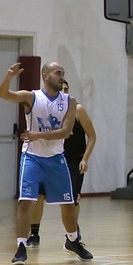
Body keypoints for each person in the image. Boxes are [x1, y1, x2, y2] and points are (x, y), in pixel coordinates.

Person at [0, 62, 93, 265]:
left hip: (57, 159)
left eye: (63, 73)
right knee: (25, 202)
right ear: (45, 75)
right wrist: (8, 77)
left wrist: (37, 134)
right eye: (58, 73)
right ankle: (21, 246)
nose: (61, 76)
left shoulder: (70, 101)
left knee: (68, 205)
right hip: (32, 157)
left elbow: (66, 132)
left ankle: (73, 241)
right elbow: (3, 95)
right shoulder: (31, 97)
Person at [28, 79, 97, 247]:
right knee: (39, 195)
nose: (64, 92)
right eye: (61, 90)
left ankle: (73, 235)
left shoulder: (77, 110)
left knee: (71, 199)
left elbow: (92, 136)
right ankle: (34, 233)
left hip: (74, 160)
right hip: (54, 157)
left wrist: (85, 159)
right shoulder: (47, 109)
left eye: (66, 89)